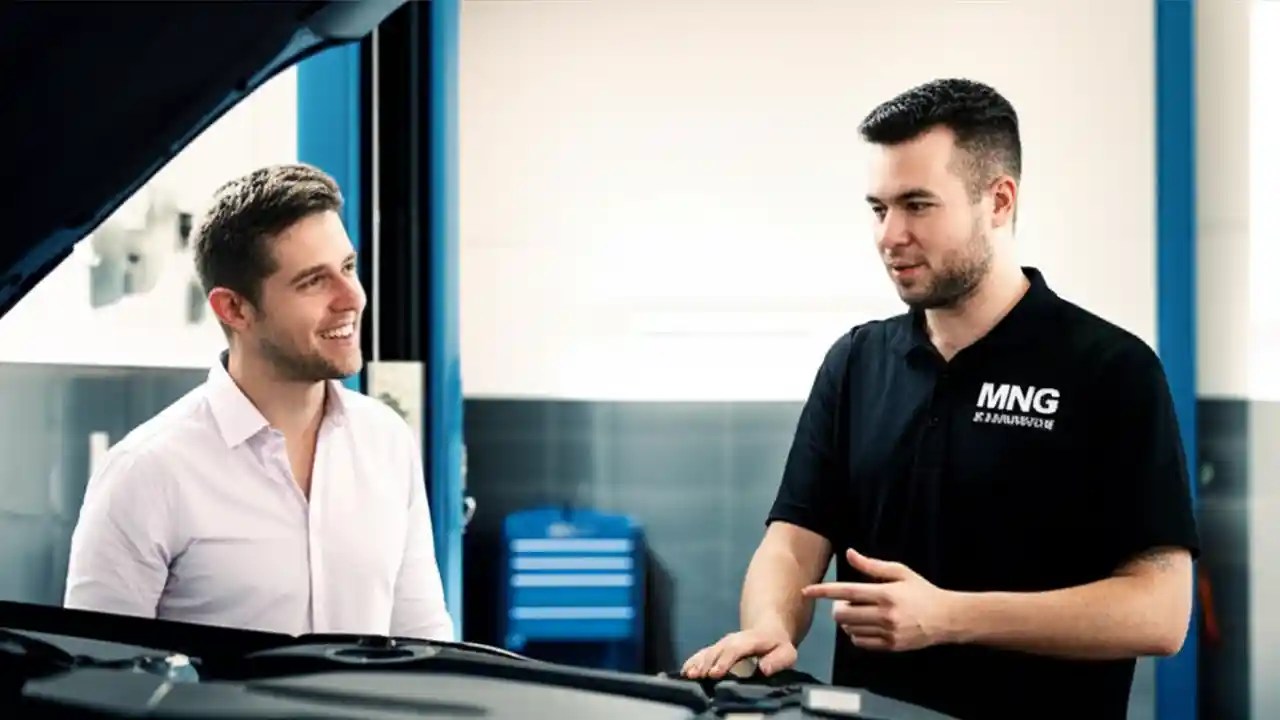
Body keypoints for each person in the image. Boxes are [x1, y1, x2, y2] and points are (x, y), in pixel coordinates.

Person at [681, 79, 1200, 719]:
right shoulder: (857, 362)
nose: (890, 235)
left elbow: (1159, 611)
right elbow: (793, 541)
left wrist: (951, 616)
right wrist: (771, 623)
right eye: (879, 208)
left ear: (999, 201)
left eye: (918, 205)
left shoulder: (1110, 370)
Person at [63, 163, 455, 642]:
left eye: (348, 268)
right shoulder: (147, 472)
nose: (352, 297)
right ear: (234, 308)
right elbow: (97, 669)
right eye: (313, 281)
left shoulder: (386, 441)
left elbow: (424, 640)